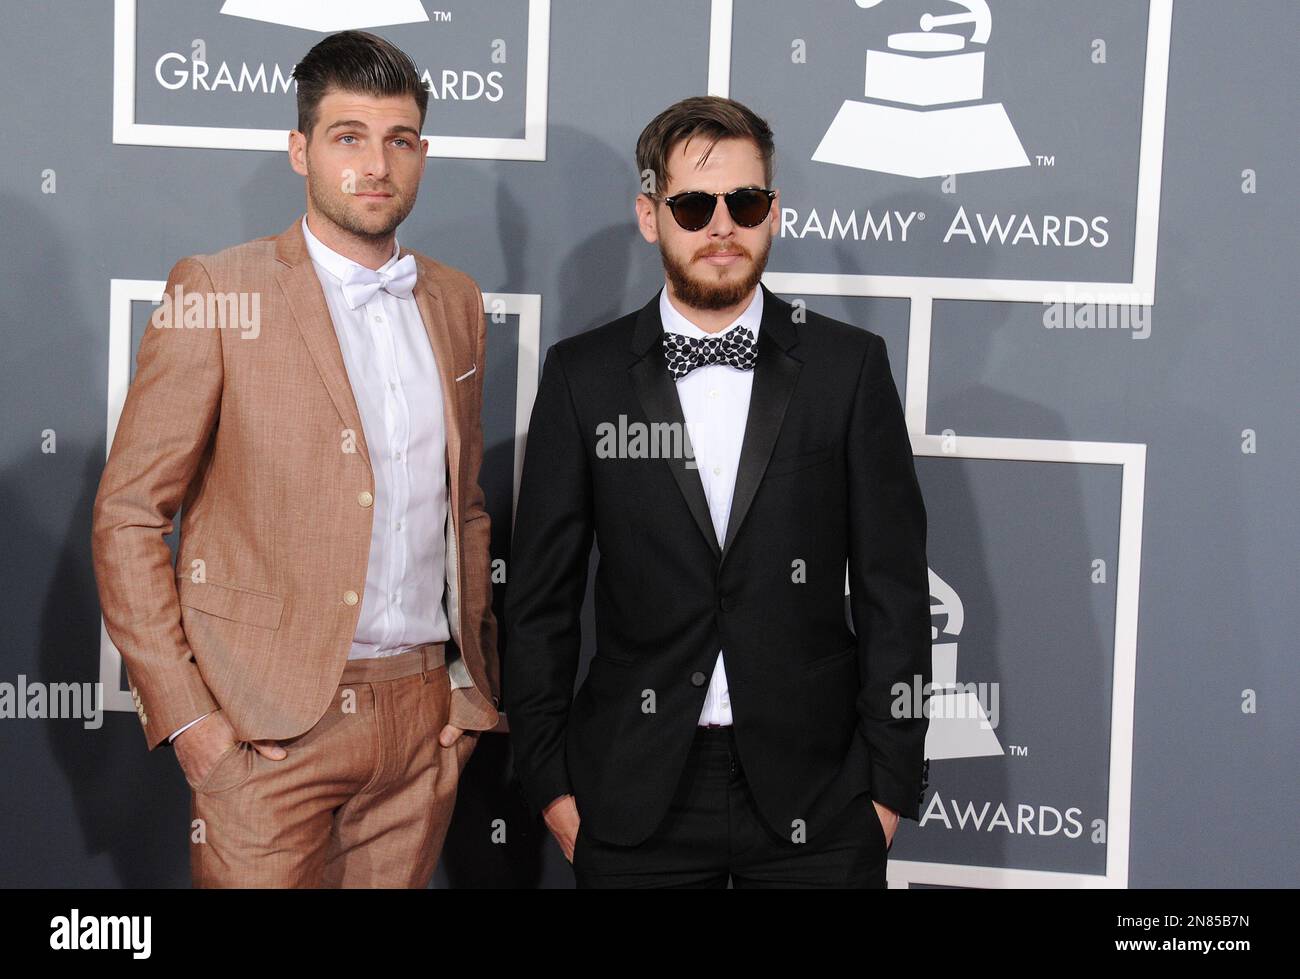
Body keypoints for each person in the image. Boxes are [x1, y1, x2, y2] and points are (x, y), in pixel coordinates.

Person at [91, 30, 499, 887]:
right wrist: (193, 720)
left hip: (421, 720)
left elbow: (461, 507)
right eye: (348, 137)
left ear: (423, 153)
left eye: (399, 140)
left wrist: (466, 685)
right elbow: (129, 515)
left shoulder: (456, 301)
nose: (376, 164)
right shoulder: (217, 288)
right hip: (267, 732)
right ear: (299, 149)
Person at [505, 95, 931, 888]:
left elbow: (895, 592)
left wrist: (890, 783)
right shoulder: (581, 377)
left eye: (746, 201)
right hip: (634, 792)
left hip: (822, 792)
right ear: (649, 214)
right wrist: (551, 783)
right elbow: (540, 603)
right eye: (695, 204)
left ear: (774, 211)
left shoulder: (849, 368)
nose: (722, 225)